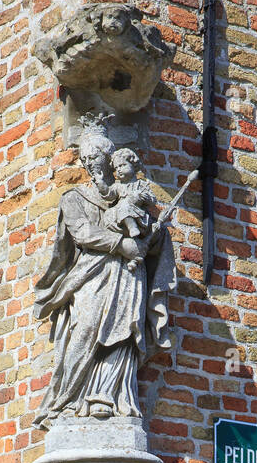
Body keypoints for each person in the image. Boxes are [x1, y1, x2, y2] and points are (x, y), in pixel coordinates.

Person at [34, 125, 175, 426]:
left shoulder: (132, 192)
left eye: (97, 157)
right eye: (86, 159)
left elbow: (148, 237)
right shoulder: (74, 199)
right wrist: (121, 244)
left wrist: (153, 232)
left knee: (124, 332)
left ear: (110, 159)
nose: (91, 163)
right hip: (91, 276)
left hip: (128, 274)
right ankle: (67, 402)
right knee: (83, 332)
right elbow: (83, 233)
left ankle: (110, 396)